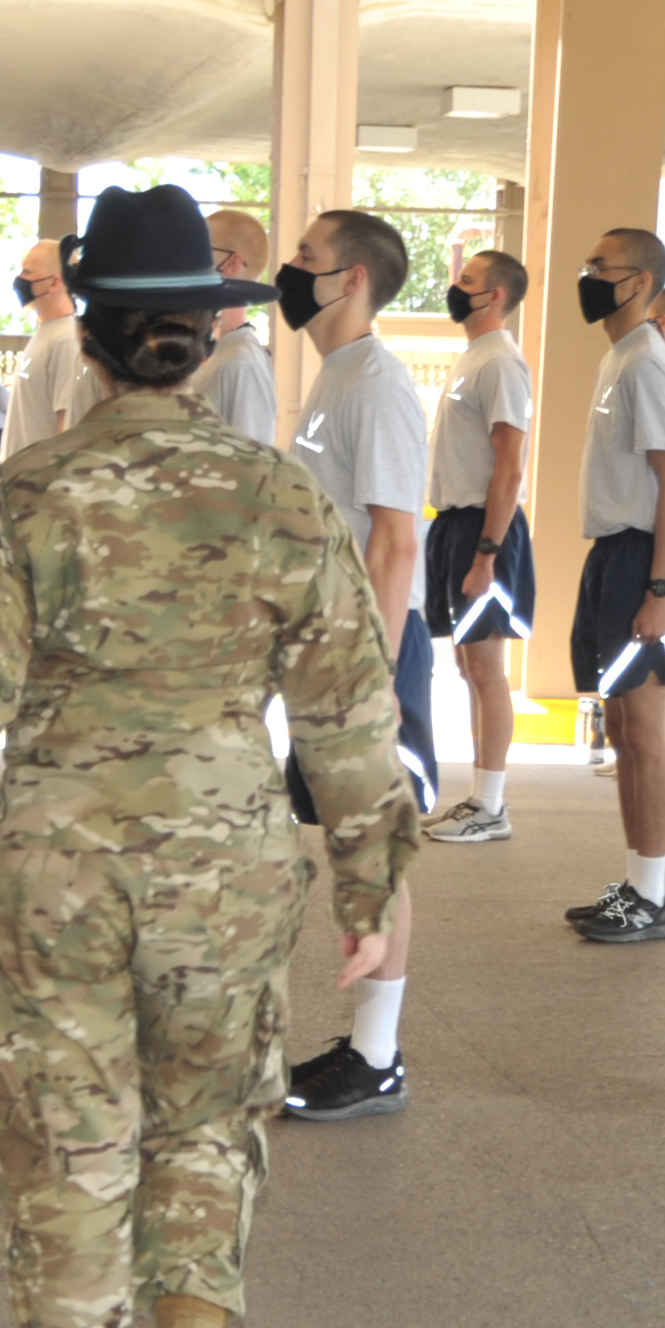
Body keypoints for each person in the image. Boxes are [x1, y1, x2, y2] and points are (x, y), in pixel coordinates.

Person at [0, 184, 416, 1328]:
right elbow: (348, 711)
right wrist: (368, 883)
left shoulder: (25, 494)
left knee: (67, 1141)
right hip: (226, 853)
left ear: (91, 339)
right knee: (209, 1117)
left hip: (54, 859)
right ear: (213, 341)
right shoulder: (278, 496)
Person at [273, 207, 432, 1119]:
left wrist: (366, 675)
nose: (294, 273)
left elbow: (396, 544)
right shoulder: (337, 377)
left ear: (354, 279)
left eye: (307, 259)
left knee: (376, 855)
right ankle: (368, 1043)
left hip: (362, 661)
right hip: (327, 654)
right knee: (350, 850)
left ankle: (377, 1057)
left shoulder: (375, 385)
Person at [565, 228, 665, 943]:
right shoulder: (620, 356)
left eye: (600, 268)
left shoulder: (647, 361)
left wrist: (660, 589)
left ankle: (653, 895)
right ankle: (636, 884)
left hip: (644, 558)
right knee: (620, 727)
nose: (588, 277)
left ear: (639, 281)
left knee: (644, 732)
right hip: (613, 554)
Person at [423, 247, 535, 845]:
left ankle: (492, 805)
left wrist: (487, 553)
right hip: (455, 523)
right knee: (469, 666)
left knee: (488, 669)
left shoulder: (500, 364)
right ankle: (478, 798)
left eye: (465, 280)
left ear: (493, 295)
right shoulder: (474, 357)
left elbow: (510, 467)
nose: (454, 286)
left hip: (484, 531)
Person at [190, 208, 276, 444]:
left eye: (200, 250)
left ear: (232, 263)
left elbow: (253, 460)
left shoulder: (243, 362)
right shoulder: (212, 351)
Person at [3, 238, 84, 458]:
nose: (20, 280)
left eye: (27, 272)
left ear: (54, 283)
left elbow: (65, 429)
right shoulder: (46, 334)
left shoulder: (66, 340)